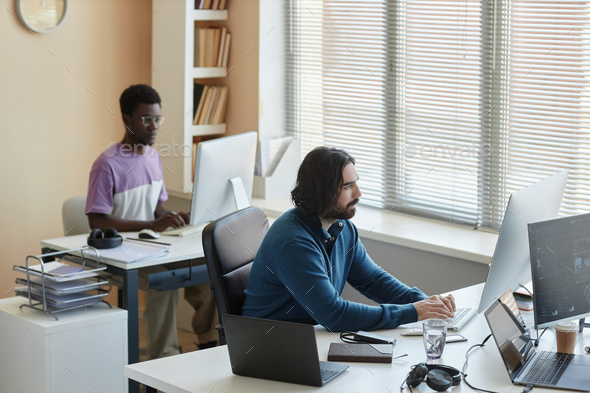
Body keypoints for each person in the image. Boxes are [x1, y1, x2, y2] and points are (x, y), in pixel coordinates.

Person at [242, 147, 456, 331]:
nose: (358, 193)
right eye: (347, 186)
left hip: (308, 336)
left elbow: (373, 280)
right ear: (322, 192)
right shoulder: (294, 243)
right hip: (271, 344)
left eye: (356, 183)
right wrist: (412, 313)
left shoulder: (342, 227)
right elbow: (334, 315)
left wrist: (427, 302)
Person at [85, 84, 217, 358]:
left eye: (157, 119)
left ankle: (209, 341)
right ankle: (164, 359)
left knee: (209, 270)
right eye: (146, 119)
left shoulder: (154, 157)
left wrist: (169, 217)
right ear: (126, 119)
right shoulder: (107, 164)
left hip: (151, 247)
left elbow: (156, 206)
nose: (154, 126)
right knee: (164, 282)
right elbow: (96, 221)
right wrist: (149, 226)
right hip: (120, 254)